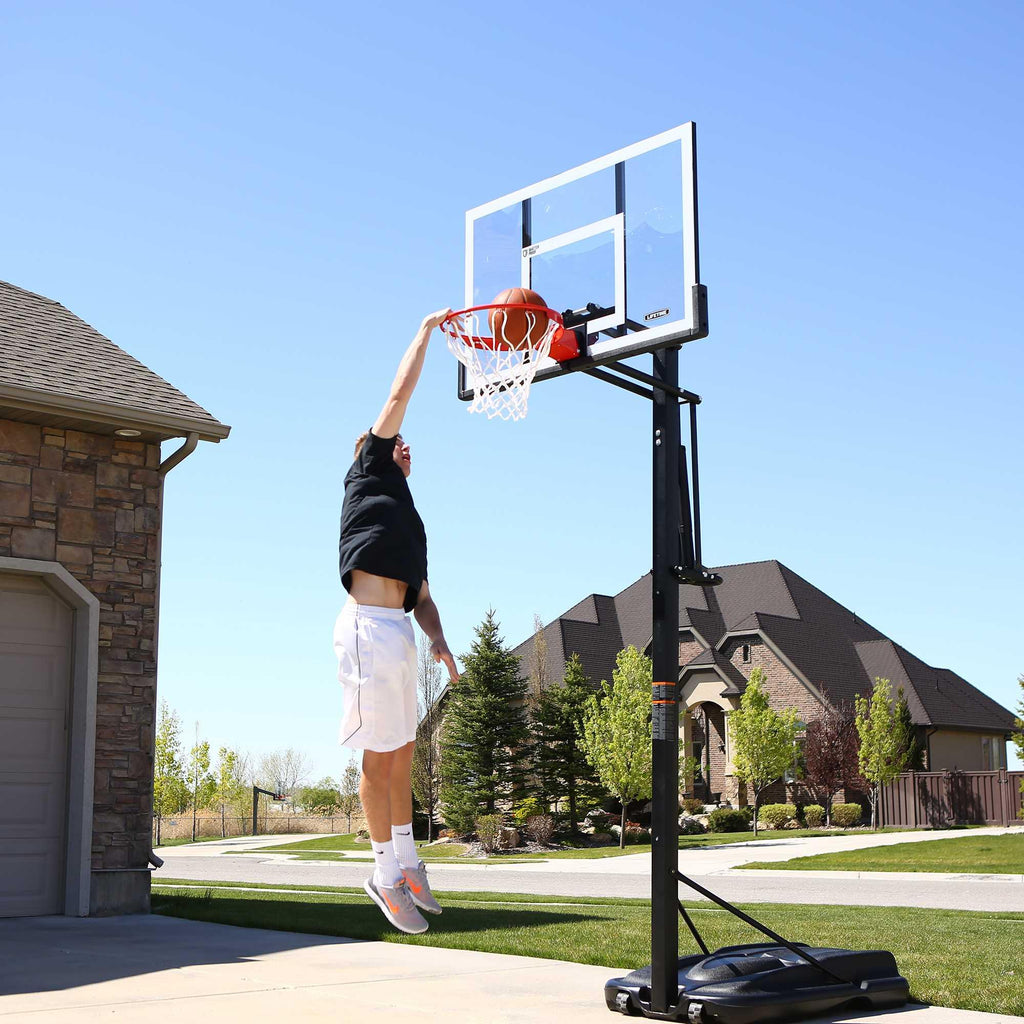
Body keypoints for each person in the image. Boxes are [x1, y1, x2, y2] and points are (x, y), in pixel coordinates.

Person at [335, 308, 460, 935]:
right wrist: (423, 333)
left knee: (405, 751)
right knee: (376, 758)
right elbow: (398, 393)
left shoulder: (407, 521)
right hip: (364, 629)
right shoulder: (368, 474)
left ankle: (409, 863)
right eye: (391, 441)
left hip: (401, 632)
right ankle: (382, 873)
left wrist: (437, 639)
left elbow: (425, 593)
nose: (403, 445)